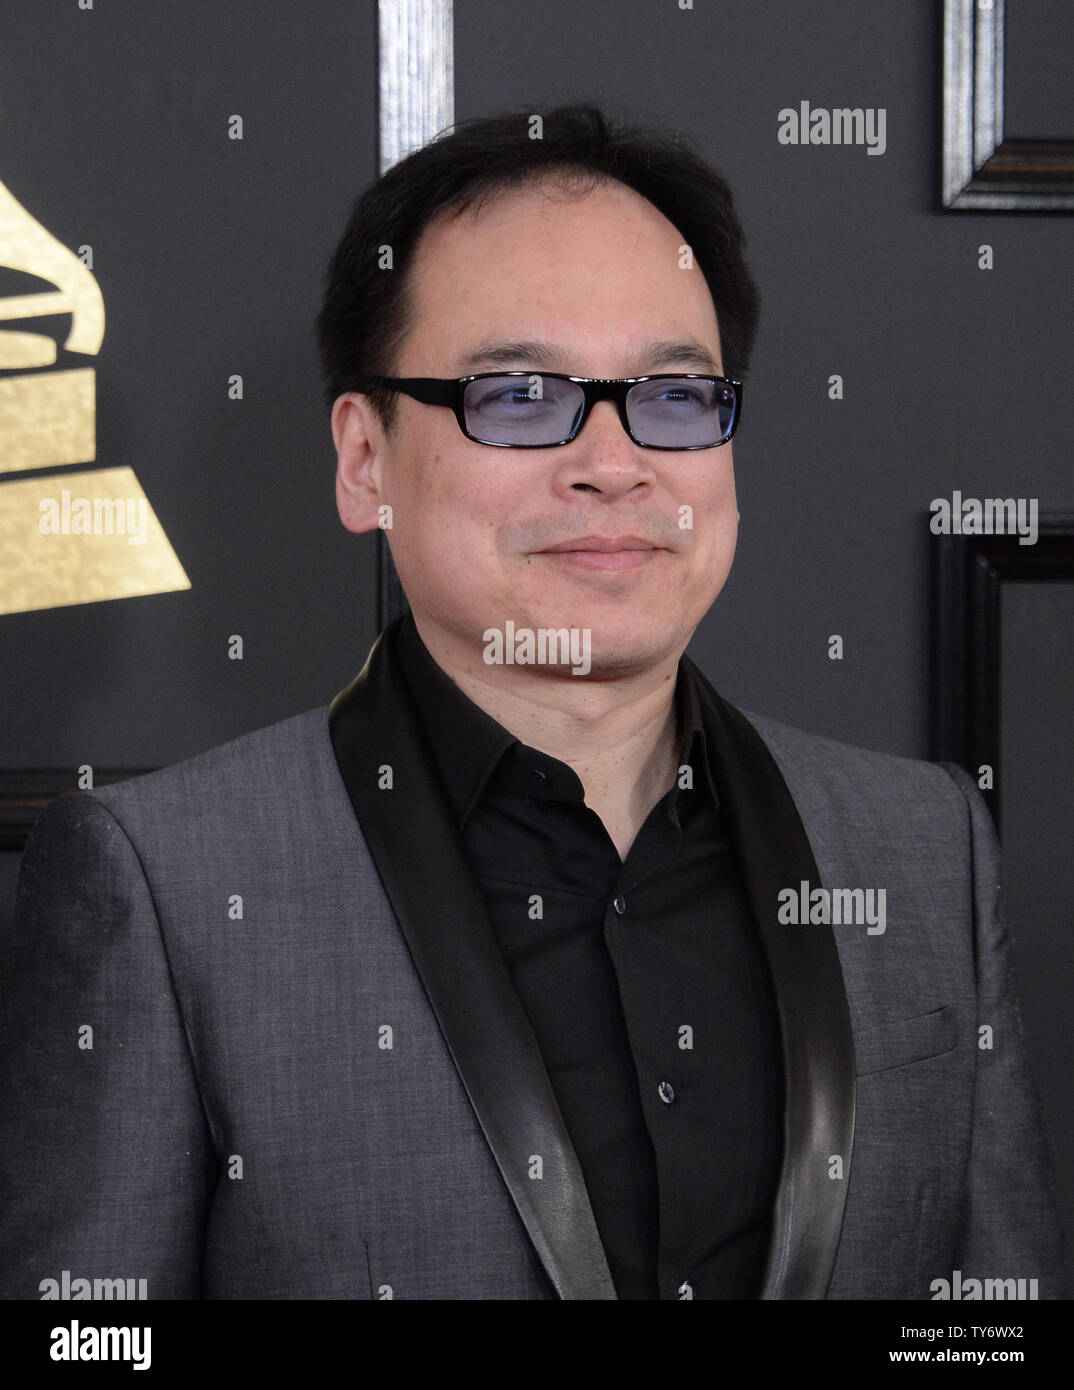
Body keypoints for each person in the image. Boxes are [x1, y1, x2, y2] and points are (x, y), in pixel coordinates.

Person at [0, 104, 1065, 1301]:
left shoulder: (921, 849)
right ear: (365, 460)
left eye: (672, 396)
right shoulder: (168, 885)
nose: (613, 463)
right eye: (518, 395)